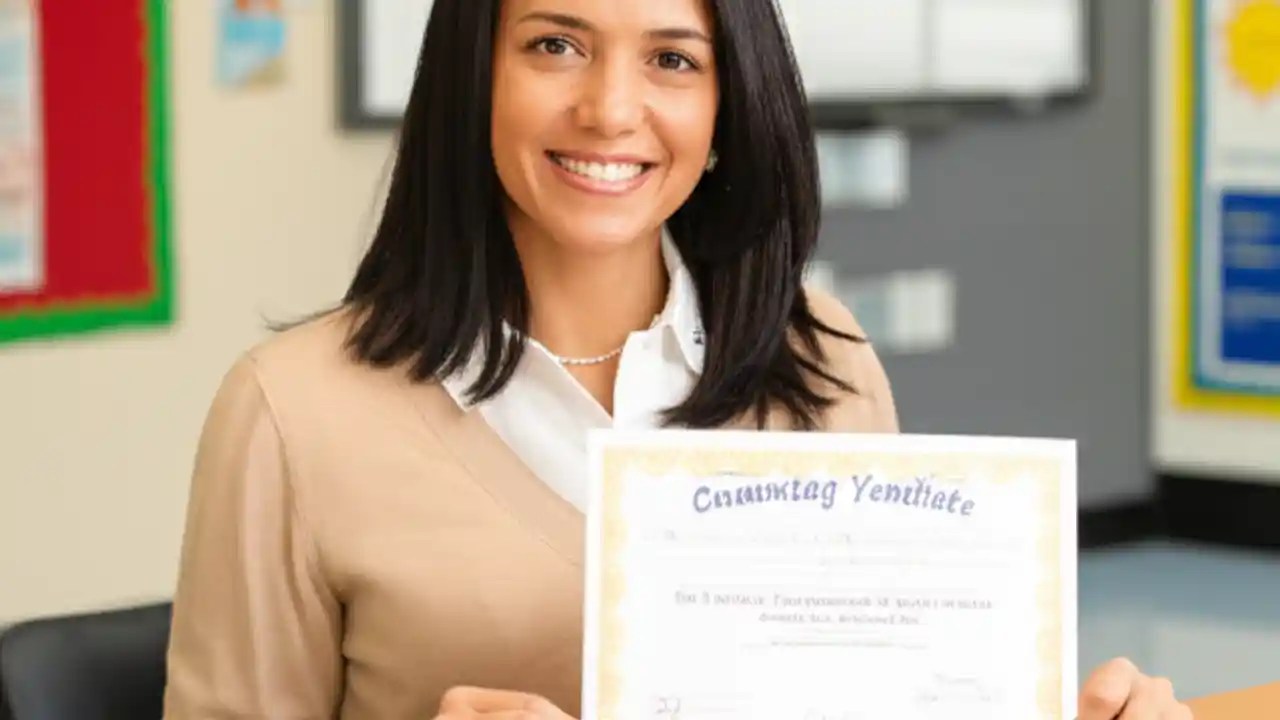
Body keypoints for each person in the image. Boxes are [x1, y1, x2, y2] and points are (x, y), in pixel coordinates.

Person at [162, 0, 1192, 718]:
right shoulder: (291, 413)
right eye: (555, 44)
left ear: (725, 111)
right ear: (471, 75)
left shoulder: (821, 361)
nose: (611, 109)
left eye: (672, 58)